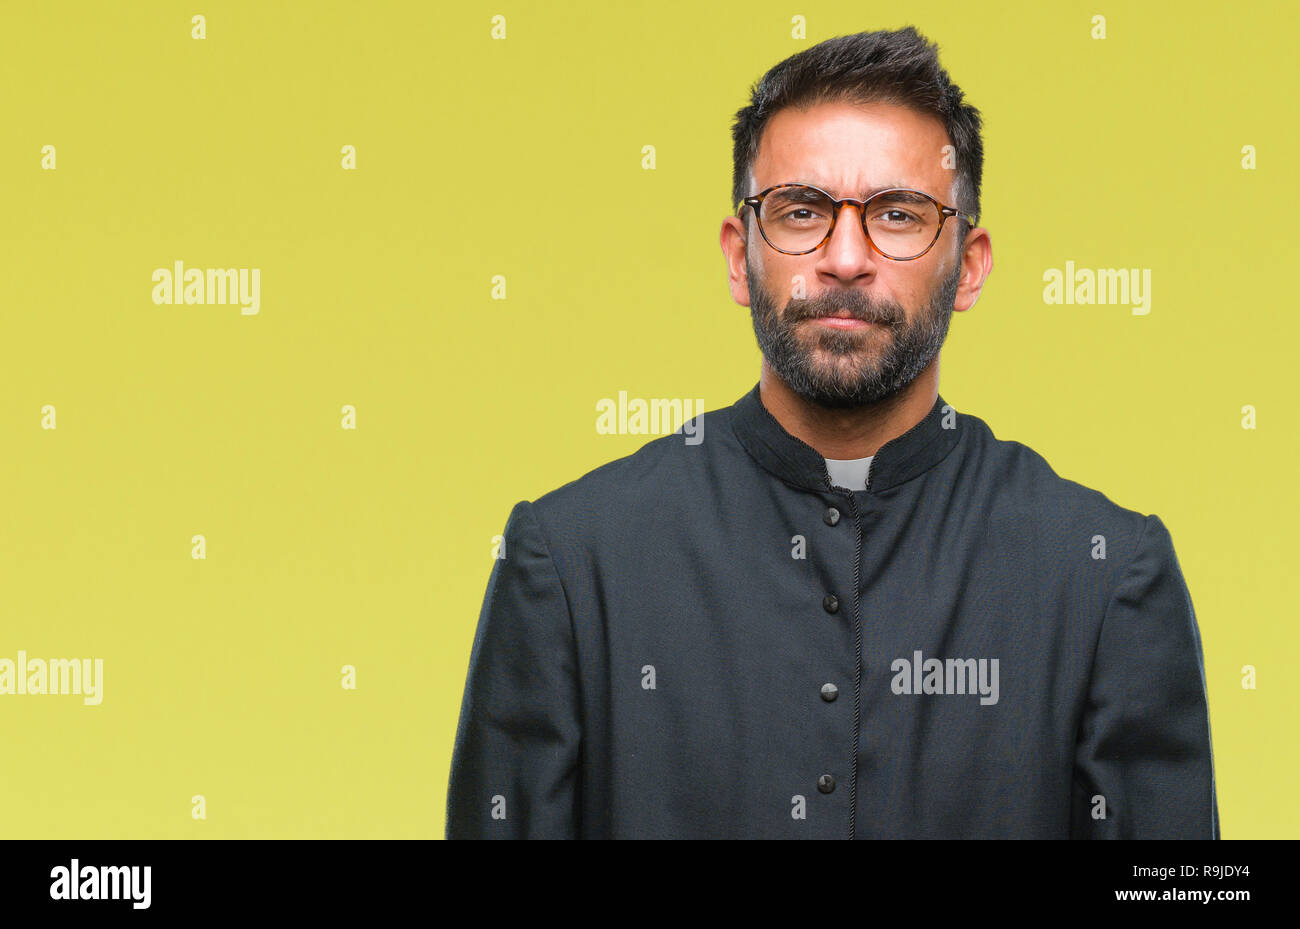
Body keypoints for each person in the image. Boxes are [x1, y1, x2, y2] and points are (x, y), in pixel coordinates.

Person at [445, 25, 1219, 839]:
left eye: (897, 214)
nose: (845, 257)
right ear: (740, 258)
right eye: (802, 210)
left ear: (971, 263)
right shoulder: (571, 562)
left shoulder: (1107, 579)